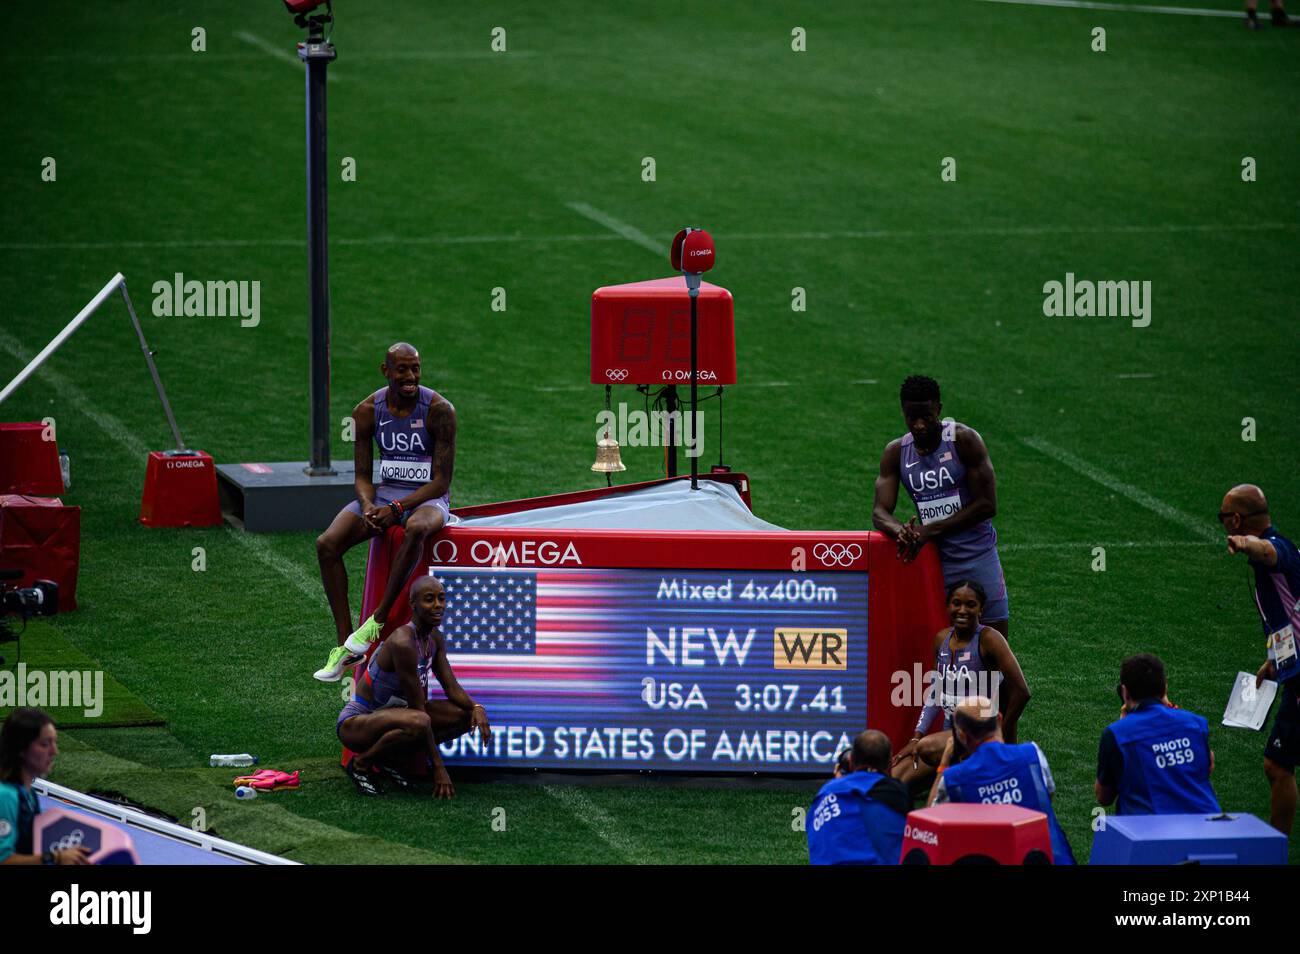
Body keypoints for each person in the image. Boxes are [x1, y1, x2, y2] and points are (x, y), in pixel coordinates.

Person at [314, 342, 457, 682]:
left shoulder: (440, 410)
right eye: (403, 370)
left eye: (416, 369)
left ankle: (375, 621)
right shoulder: (366, 411)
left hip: (426, 501)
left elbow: (441, 481)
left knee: (417, 529)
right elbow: (363, 476)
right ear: (386, 371)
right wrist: (368, 506)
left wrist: (397, 508)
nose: (411, 377)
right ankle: (345, 645)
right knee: (326, 544)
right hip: (384, 497)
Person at [872, 375, 1009, 637]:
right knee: (945, 651)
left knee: (994, 651)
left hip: (978, 557)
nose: (920, 425)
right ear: (903, 412)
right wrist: (900, 530)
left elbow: (987, 505)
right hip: (935, 564)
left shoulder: (963, 441)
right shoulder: (896, 452)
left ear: (939, 410)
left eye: (927, 416)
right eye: (912, 417)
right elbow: (880, 512)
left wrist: (931, 530)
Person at [336, 575, 490, 798]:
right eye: (429, 599)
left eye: (441, 598)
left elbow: (451, 687)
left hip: (394, 716)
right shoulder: (402, 642)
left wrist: (477, 707)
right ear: (413, 604)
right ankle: (360, 764)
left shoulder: (434, 638)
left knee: (465, 716)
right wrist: (439, 769)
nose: (438, 605)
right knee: (420, 720)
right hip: (356, 724)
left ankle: (387, 759)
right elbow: (419, 711)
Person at [891, 580, 1030, 794]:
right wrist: (914, 737)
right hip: (951, 735)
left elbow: (1022, 691)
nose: (962, 610)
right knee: (895, 778)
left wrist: (1001, 731)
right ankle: (962, 775)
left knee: (926, 749)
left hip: (980, 735)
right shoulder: (941, 640)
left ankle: (973, 773)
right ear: (948, 606)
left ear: (981, 608)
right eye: (956, 603)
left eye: (971, 604)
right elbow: (936, 692)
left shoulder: (989, 639)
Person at [1221, 483, 1300, 835]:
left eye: (1223, 518)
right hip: (1292, 669)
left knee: (1277, 765)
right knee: (1277, 764)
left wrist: (1244, 543)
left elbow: (1265, 550)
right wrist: (1274, 660)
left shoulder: (1277, 549)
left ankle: (1277, 850)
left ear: (1236, 520)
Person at [927, 697, 1075, 865]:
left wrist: (943, 765)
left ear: (961, 734)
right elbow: (1047, 796)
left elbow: (928, 827)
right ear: (999, 718)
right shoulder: (1032, 754)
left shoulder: (954, 778)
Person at [1096, 653, 1220, 816]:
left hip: (1151, 834)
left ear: (1125, 693)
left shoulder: (1117, 734)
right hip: (1207, 827)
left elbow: (1104, 797)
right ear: (1165, 689)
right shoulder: (1196, 723)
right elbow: (1207, 766)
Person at [0, 708, 90, 865]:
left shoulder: (29, 794)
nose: (54, 751)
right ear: (21, 748)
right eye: (45, 744)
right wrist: (56, 858)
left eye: (55, 742)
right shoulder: (5, 796)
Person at [808, 730, 911, 865]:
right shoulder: (897, 792)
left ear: (850, 762)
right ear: (889, 764)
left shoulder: (823, 794)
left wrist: (836, 783)